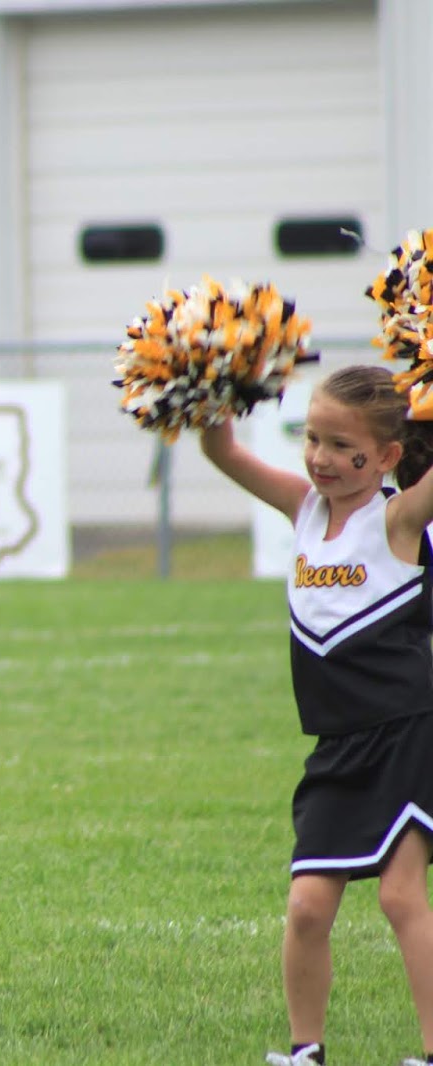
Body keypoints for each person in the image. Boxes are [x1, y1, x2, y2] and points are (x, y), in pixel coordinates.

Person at [198, 365, 433, 1066]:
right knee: (306, 907)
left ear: (388, 458)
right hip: (337, 745)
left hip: (412, 729)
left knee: (399, 895)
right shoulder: (303, 509)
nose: (321, 458)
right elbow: (222, 452)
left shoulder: (396, 518)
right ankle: (306, 1052)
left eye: (341, 446)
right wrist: (213, 387)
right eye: (312, 438)